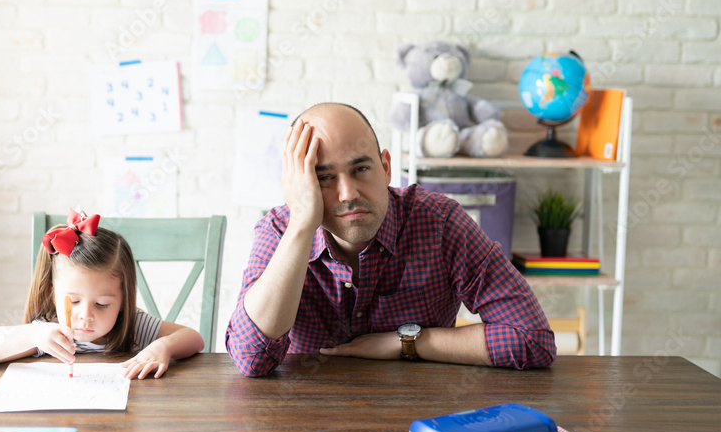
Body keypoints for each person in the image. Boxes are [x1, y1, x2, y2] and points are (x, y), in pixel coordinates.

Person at [226, 103, 555, 377]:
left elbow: (532, 339)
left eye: (361, 169)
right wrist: (301, 224)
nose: (348, 194)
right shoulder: (278, 229)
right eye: (324, 177)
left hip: (419, 414)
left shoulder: (440, 222)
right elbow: (251, 358)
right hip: (303, 420)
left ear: (385, 168)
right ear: (299, 184)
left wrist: (409, 342)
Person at [0, 209, 204, 379]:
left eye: (102, 304)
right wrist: (32, 335)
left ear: (123, 300)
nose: (85, 315)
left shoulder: (134, 326)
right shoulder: (49, 334)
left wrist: (164, 347)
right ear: (52, 293)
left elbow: (195, 338)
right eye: (73, 301)